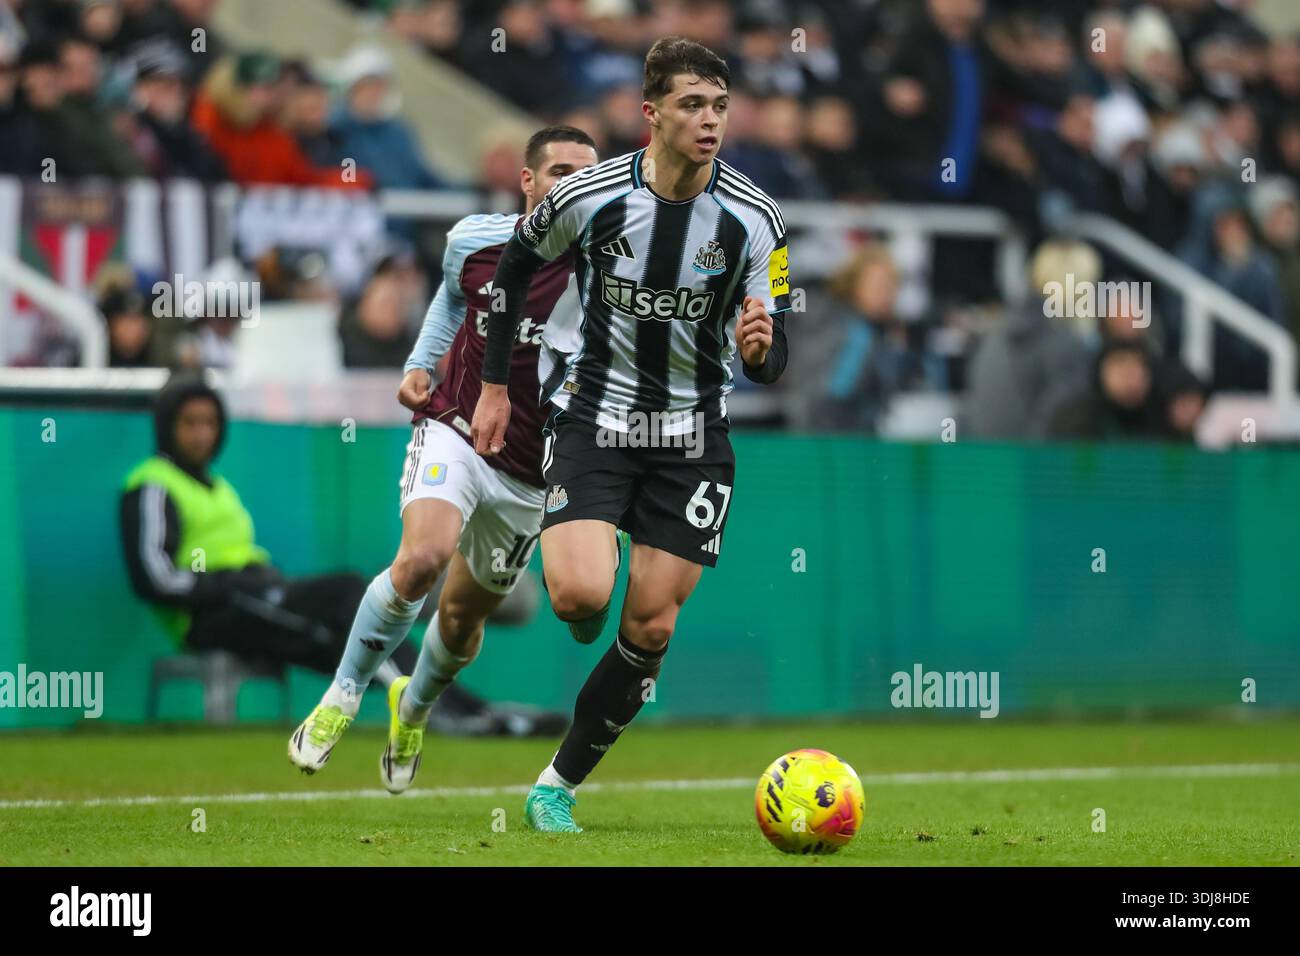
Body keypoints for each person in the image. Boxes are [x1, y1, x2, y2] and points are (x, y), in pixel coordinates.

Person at [469, 36, 791, 832]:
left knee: (649, 626)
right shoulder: (590, 194)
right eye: (691, 105)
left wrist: (761, 348)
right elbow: (512, 272)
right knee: (582, 598)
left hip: (693, 438)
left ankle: (555, 785)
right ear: (651, 114)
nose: (709, 120)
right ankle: (577, 585)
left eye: (719, 105)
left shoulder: (758, 220)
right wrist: (497, 385)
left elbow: (774, 350)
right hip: (596, 417)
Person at [287, 126, 599, 788]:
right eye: (560, 171)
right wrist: (419, 364)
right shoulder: (474, 238)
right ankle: (341, 696)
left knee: (461, 622)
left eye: (586, 174)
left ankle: (415, 708)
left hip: (530, 472)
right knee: (422, 557)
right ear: (528, 181)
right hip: (455, 427)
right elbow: (452, 297)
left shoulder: (605, 269)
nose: (573, 185)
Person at [121, 374, 541, 736]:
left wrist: (253, 577)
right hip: (209, 617)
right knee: (349, 600)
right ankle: (452, 711)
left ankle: (469, 710)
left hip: (253, 596)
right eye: (189, 423)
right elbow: (154, 578)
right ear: (166, 426)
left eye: (209, 423)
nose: (201, 434)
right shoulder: (154, 483)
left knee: (357, 623)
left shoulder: (216, 486)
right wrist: (235, 583)